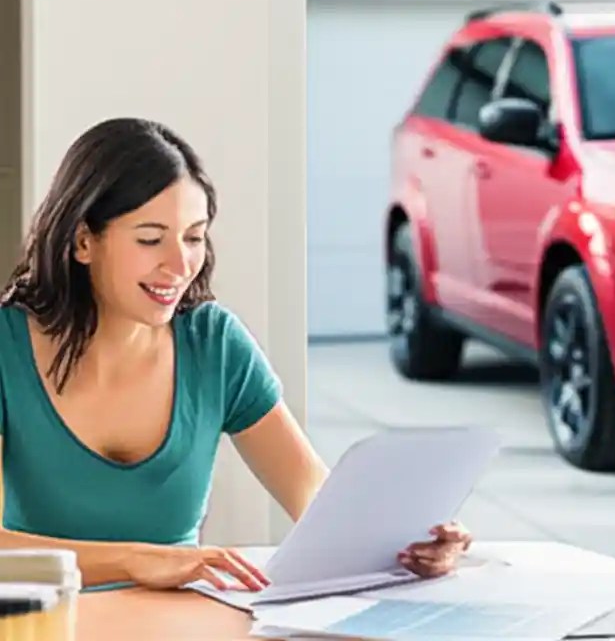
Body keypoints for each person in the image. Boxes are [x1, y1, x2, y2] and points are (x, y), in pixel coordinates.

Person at [0, 117, 472, 593]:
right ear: (83, 241)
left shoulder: (214, 343)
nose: (180, 264)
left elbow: (316, 502)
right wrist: (134, 560)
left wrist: (411, 546)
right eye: (150, 238)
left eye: (193, 236)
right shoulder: (6, 346)